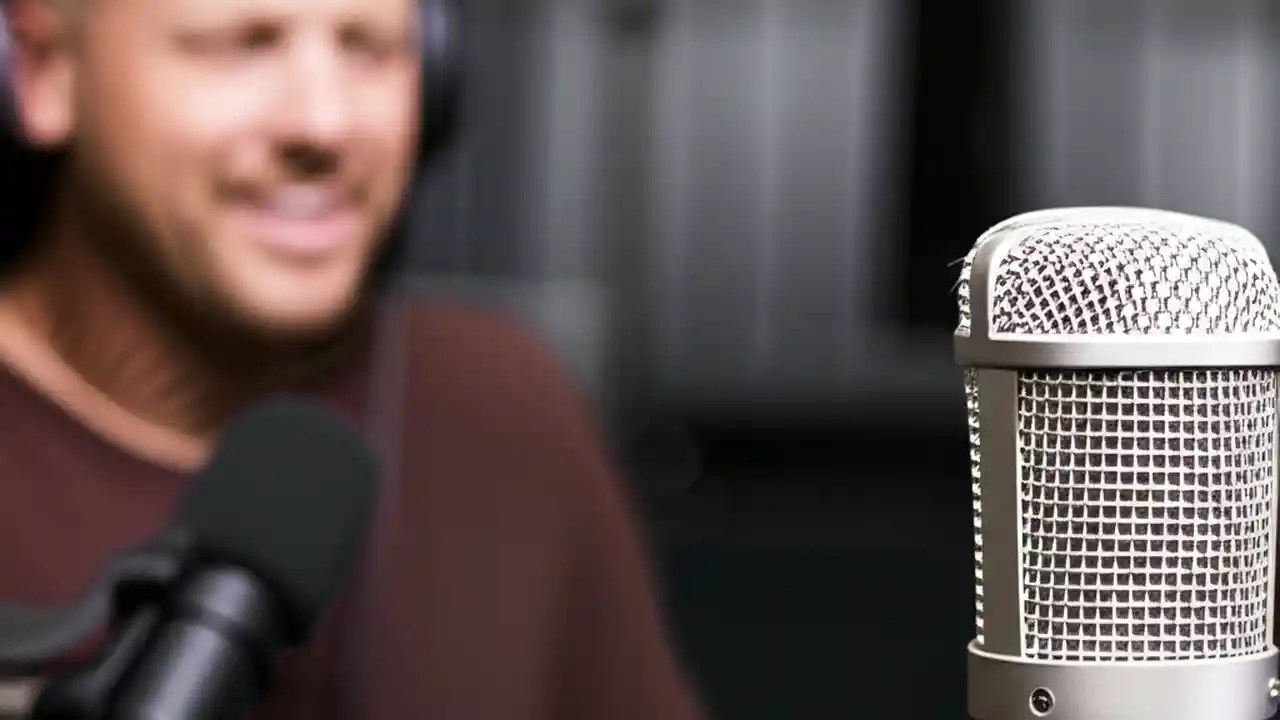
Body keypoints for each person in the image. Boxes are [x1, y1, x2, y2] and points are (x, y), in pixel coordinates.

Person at [0, 0, 706, 717]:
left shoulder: (505, 407)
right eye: (239, 45)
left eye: (367, 47)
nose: (325, 124)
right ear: (42, 69)